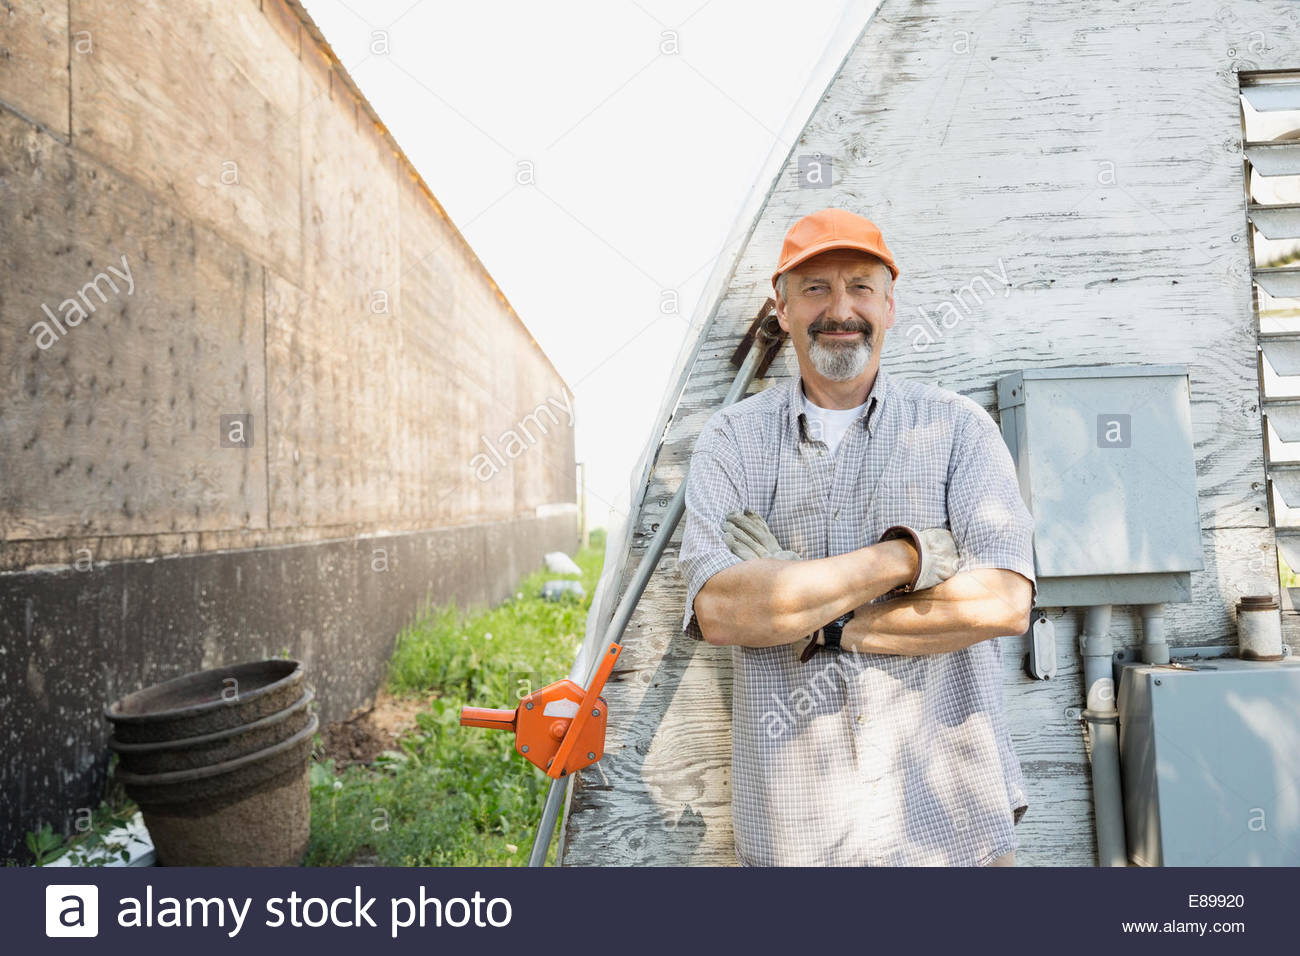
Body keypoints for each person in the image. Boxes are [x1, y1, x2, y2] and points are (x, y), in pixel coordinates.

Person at [678, 207, 1037, 866]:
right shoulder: (732, 441)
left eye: (860, 287)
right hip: (800, 834)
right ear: (781, 309)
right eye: (815, 288)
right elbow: (723, 609)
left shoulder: (959, 430)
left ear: (890, 306)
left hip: (952, 831)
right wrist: (906, 556)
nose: (840, 308)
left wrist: (817, 616)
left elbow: (1002, 604)